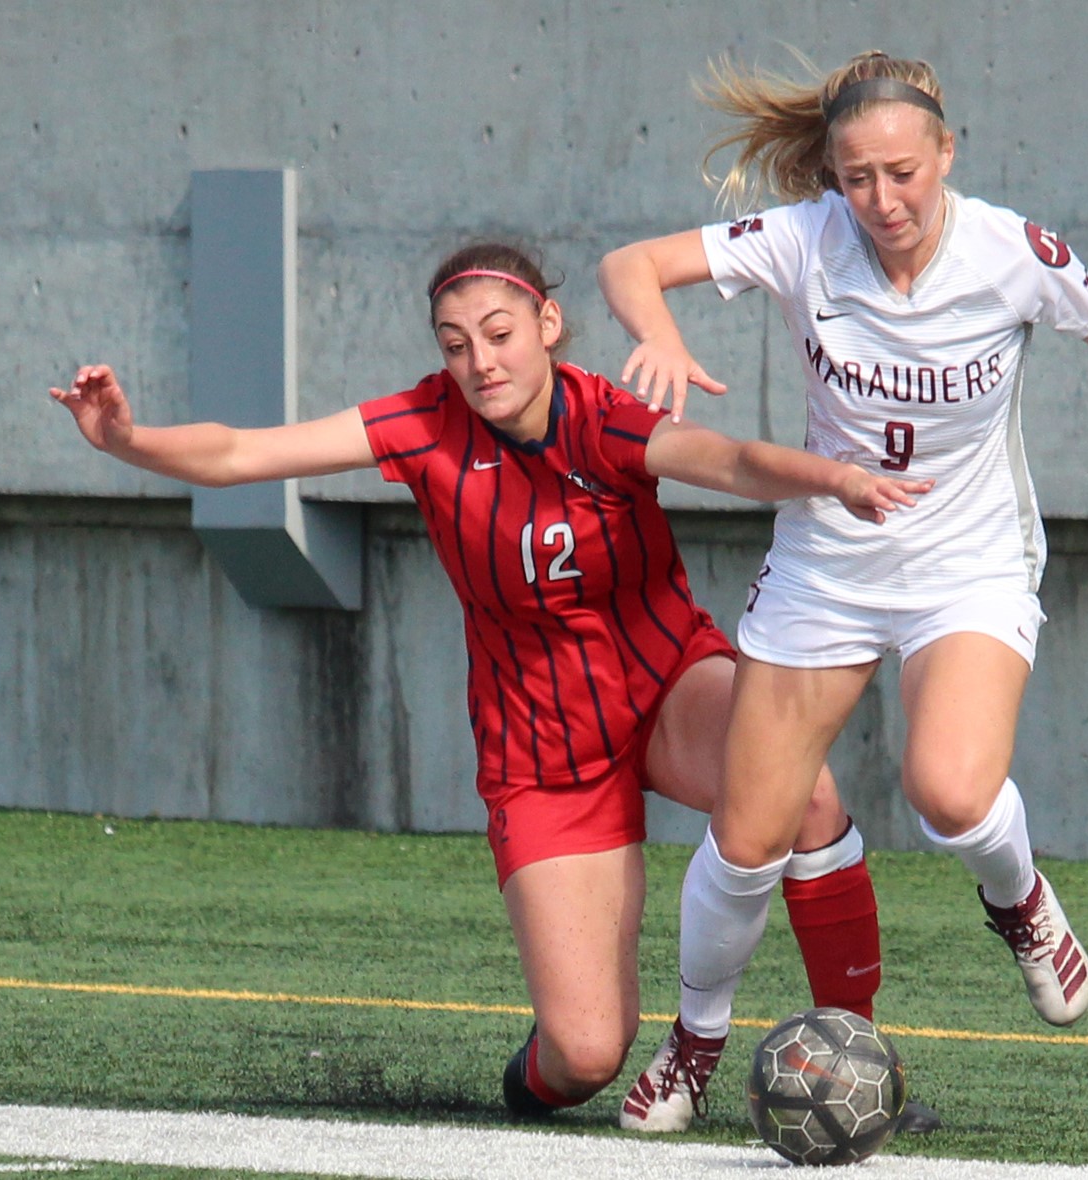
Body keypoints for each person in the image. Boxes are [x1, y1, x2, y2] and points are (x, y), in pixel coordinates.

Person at [598, 51, 1088, 1124]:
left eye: (900, 172)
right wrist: (656, 330)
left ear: (945, 153)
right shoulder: (802, 238)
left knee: (951, 792)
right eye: (855, 176)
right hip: (827, 564)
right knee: (748, 837)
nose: (880, 199)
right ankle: (692, 1049)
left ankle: (1018, 898)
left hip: (965, 564)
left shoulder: (1011, 252)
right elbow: (630, 264)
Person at [48, 241, 940, 1132]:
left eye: (499, 334)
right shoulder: (425, 424)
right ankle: (527, 1088)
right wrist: (125, 439)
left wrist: (837, 480)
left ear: (547, 327)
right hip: (543, 747)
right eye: (454, 343)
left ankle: (858, 1065)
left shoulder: (602, 416)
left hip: (668, 683)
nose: (480, 362)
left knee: (806, 795)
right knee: (585, 1054)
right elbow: (243, 452)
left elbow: (733, 462)